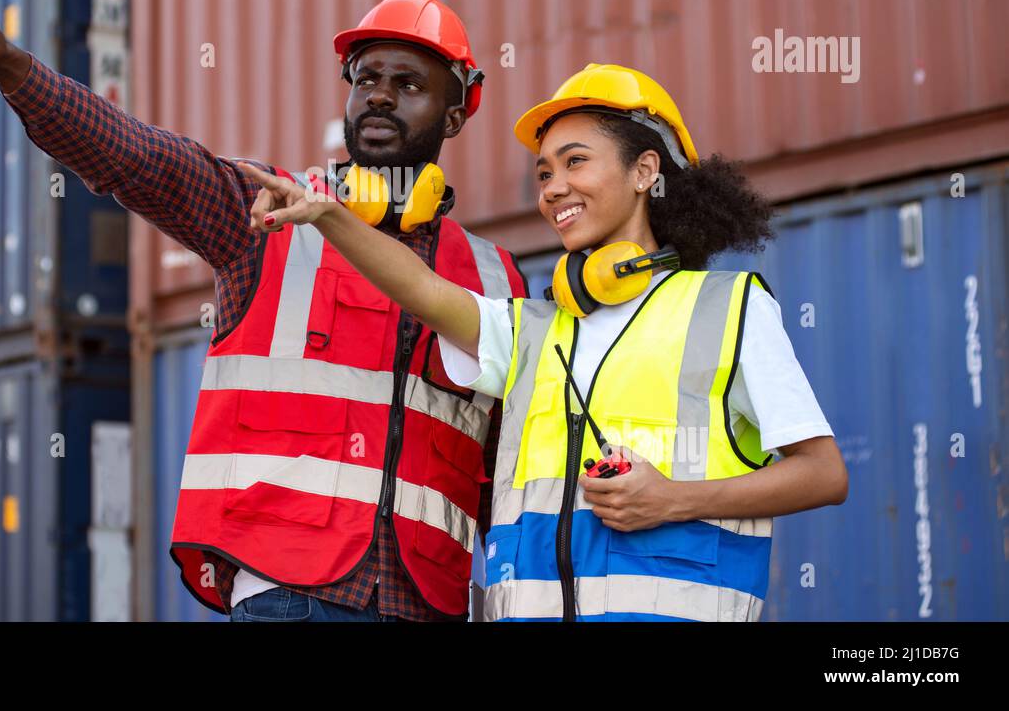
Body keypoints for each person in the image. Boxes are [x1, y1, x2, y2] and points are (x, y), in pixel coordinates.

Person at [0, 0, 529, 622]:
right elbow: (135, 158)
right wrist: (10, 65)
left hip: (428, 603)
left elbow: (514, 469)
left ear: (457, 113)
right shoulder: (265, 211)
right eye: (365, 76)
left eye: (408, 83)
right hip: (289, 595)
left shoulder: (497, 279)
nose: (378, 94)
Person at [239, 62, 850, 621]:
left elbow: (823, 474)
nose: (553, 187)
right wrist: (327, 214)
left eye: (576, 161)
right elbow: (421, 288)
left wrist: (672, 500)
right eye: (544, 172)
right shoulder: (532, 328)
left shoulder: (729, 307)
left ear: (645, 171)